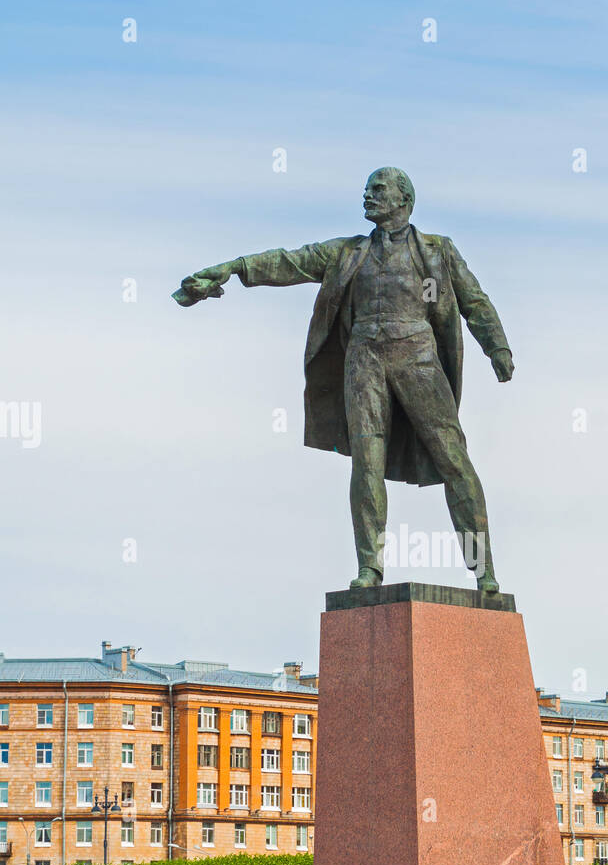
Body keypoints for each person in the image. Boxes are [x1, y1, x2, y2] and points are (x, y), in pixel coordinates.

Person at [173, 168, 514, 594]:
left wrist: (496, 347)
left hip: (420, 359)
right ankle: (370, 568)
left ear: (404, 199)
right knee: (366, 463)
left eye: (377, 190)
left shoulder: (437, 251)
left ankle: (484, 570)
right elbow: (286, 261)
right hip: (363, 360)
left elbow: (474, 301)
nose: (367, 196)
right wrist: (230, 269)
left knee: (454, 460)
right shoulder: (346, 252)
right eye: (367, 190)